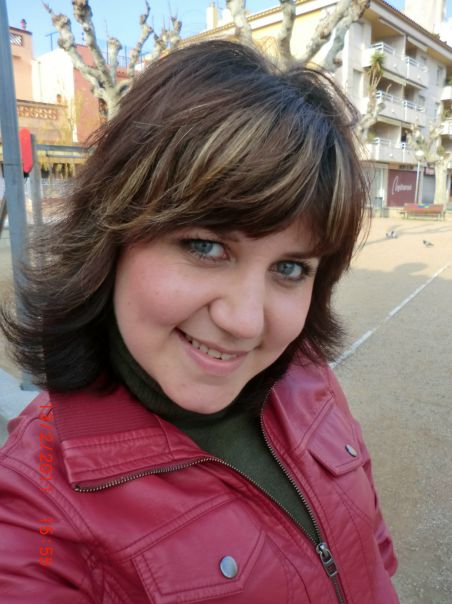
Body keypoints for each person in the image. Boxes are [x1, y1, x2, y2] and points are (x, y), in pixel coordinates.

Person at [0, 40, 398, 603]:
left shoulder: (307, 376)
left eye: (290, 268)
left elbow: (374, 554)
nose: (245, 322)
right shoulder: (34, 505)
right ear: (111, 237)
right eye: (206, 247)